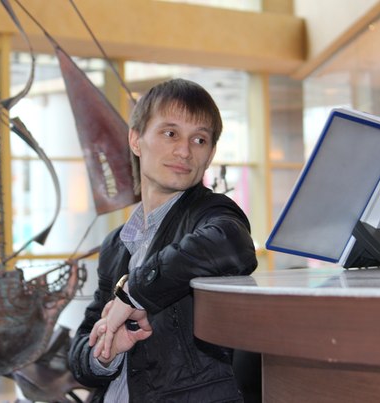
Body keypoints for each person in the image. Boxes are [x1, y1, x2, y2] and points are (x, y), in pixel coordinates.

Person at [68, 78, 257, 402]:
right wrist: (104, 354)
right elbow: (80, 354)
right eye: (170, 133)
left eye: (199, 140)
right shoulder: (116, 245)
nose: (184, 151)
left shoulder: (211, 214)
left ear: (210, 154)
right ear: (136, 140)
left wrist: (134, 293)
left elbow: (232, 244)